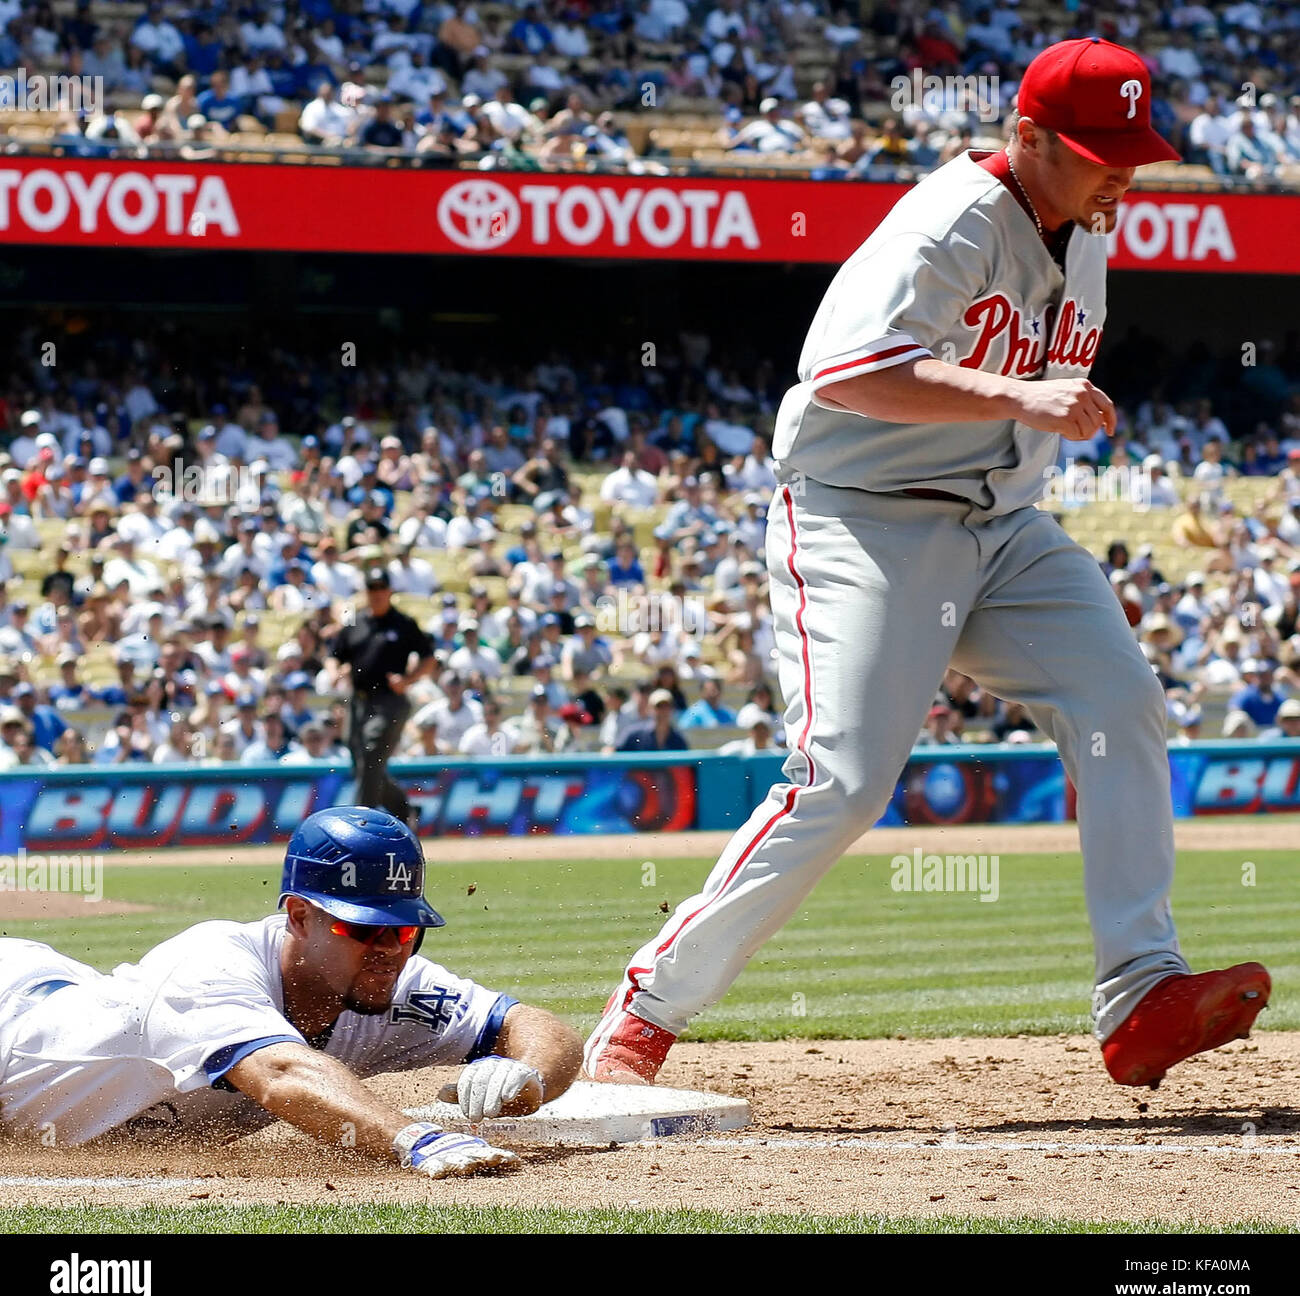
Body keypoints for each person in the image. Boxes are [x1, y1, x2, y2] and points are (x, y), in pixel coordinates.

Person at [584, 39, 1270, 1093]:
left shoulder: (1083, 219)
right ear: (1026, 137)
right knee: (844, 782)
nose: (1121, 175)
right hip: (862, 520)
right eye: (1098, 153)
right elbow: (847, 375)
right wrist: (1015, 398)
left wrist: (1017, 414)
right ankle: (643, 1014)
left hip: (1001, 524)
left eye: (1131, 152)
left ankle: (1139, 993)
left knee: (1121, 700)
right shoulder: (949, 221)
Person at [0, 808, 581, 1176]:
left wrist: (527, 1078)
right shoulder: (212, 963)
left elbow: (536, 1028)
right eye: (361, 927)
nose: (388, 948)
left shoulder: (390, 986)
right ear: (300, 917)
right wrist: (416, 1140)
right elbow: (280, 1074)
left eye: (404, 929)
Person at [327, 568, 435, 825]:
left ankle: (361, 819)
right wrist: (334, 671)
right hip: (358, 700)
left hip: (390, 700)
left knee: (371, 748)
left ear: (389, 591)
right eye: (371, 588)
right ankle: (404, 810)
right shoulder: (355, 622)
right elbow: (335, 654)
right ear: (366, 592)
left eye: (380, 588)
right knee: (362, 765)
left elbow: (429, 658)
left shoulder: (403, 623)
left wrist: (408, 679)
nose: (376, 593)